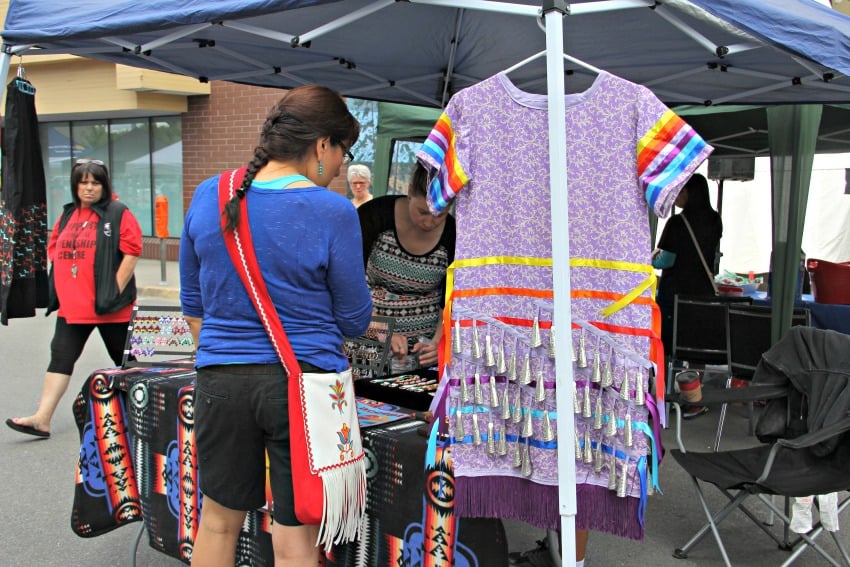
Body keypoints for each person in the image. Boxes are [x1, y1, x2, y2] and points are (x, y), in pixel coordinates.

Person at [179, 84, 373, 567]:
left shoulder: (210, 194)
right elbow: (353, 318)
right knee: (294, 540)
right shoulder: (334, 211)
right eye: (343, 152)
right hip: (303, 385)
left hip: (220, 378)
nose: (341, 167)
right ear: (323, 145)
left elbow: (192, 302)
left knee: (218, 522)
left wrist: (224, 357)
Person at [5, 159, 142, 438]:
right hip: (73, 308)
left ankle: (150, 416)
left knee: (130, 362)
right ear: (75, 185)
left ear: (104, 185)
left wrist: (114, 288)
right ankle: (42, 418)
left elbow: (132, 250)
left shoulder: (117, 212)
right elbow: (54, 248)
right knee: (60, 357)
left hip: (111, 307)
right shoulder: (68, 215)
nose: (89, 188)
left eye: (95, 182)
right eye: (83, 182)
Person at [357, 162, 455, 372]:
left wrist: (438, 342)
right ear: (409, 192)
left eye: (440, 214)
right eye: (422, 212)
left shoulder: (453, 233)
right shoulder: (373, 216)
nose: (429, 222)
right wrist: (379, 331)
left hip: (422, 355)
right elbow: (346, 289)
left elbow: (451, 298)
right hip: (367, 346)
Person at [653, 172, 723, 419]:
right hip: (703, 293)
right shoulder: (715, 220)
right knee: (695, 348)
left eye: (680, 191)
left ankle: (664, 399)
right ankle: (694, 400)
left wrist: (653, 259)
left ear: (690, 193)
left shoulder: (677, 224)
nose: (677, 196)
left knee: (667, 347)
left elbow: (667, 260)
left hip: (675, 295)